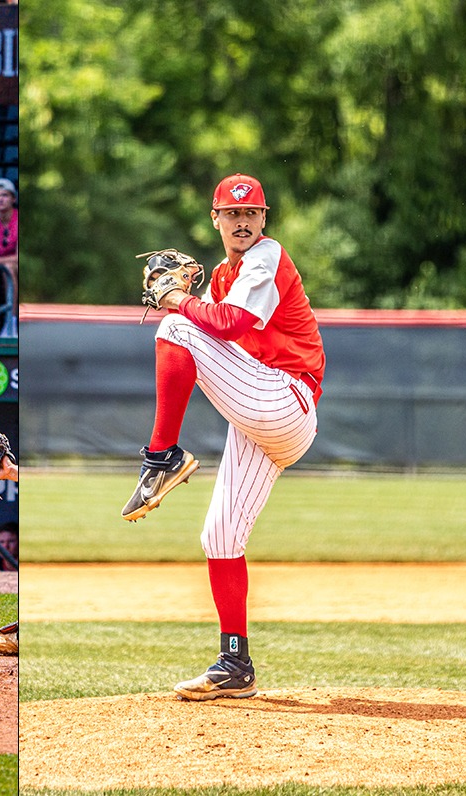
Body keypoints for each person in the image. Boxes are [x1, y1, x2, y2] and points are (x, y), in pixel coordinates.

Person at [122, 173, 323, 702]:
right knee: (221, 537)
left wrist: (176, 300)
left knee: (175, 327)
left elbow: (229, 324)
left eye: (251, 213)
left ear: (264, 219)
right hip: (261, 420)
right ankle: (236, 664)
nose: (242, 221)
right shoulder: (224, 273)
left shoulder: (267, 256)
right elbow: (212, 314)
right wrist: (187, 296)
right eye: (232, 214)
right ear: (216, 219)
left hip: (285, 399)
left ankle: (161, 457)